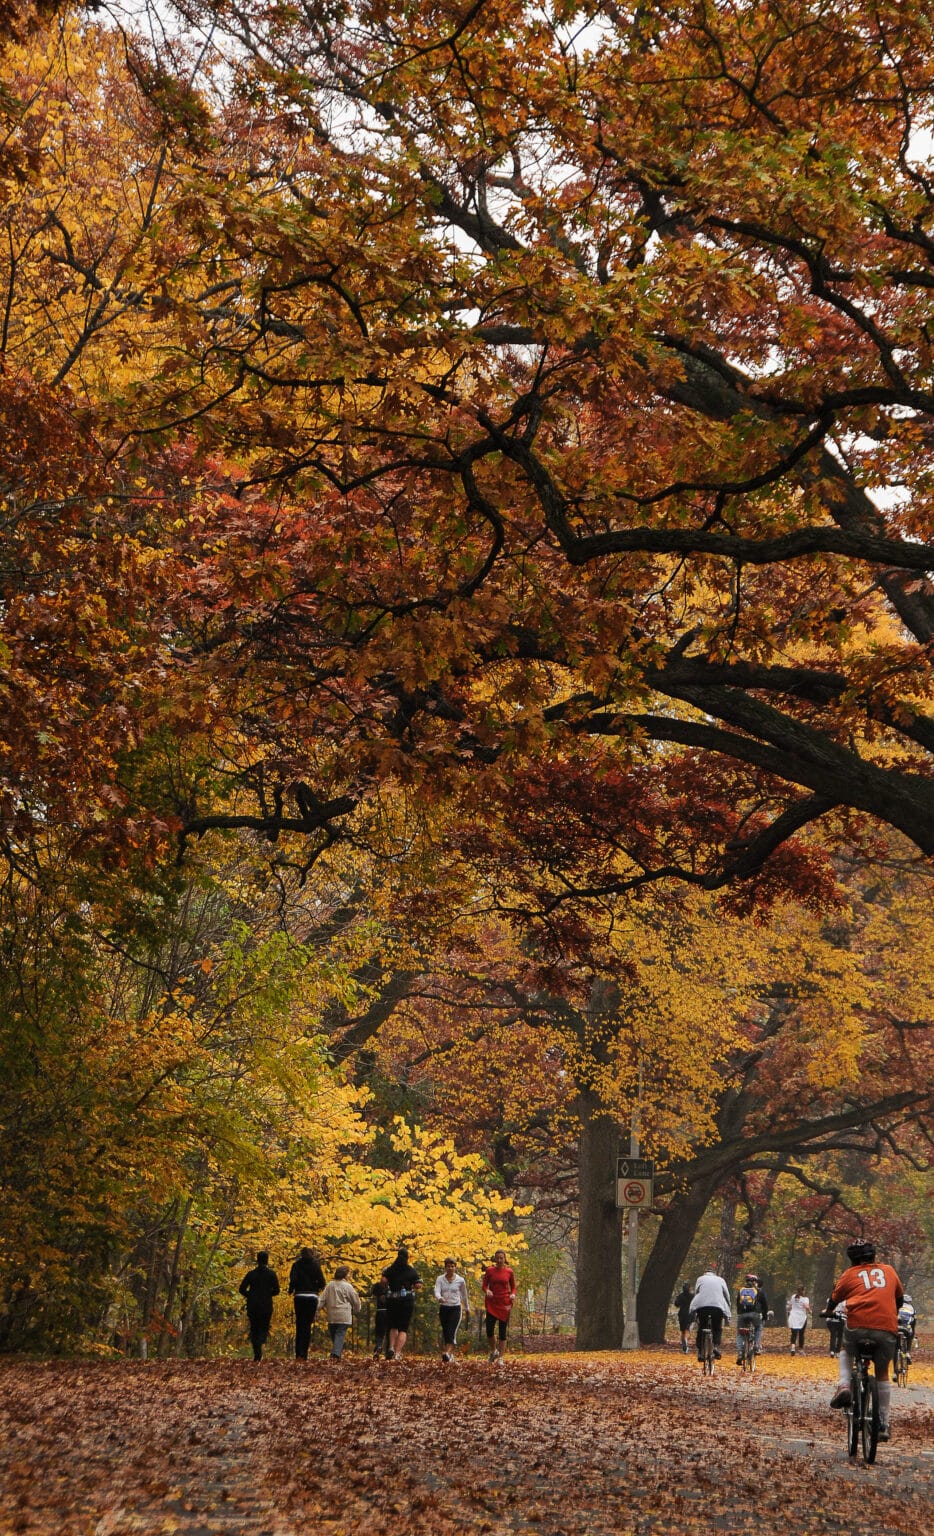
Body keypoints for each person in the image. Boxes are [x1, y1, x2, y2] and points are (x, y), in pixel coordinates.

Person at [826, 1239, 904, 1443]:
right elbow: (900, 1299)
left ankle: (844, 1386)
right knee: (882, 1372)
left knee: (846, 1348)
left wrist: (828, 1311)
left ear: (852, 1259)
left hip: (857, 1326)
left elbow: (834, 1298)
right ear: (873, 1255)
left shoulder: (850, 1274)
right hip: (886, 1328)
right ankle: (883, 1424)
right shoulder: (889, 1270)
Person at [239, 1250, 280, 1361]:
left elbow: (241, 1289)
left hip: (253, 1305)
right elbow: (277, 1291)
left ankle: (257, 1352)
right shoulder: (271, 1274)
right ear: (267, 1260)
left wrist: (250, 1295)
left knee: (254, 1327)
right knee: (264, 1326)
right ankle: (260, 1343)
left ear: (257, 1260)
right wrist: (268, 1294)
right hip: (266, 1305)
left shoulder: (251, 1274)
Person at [382, 1245, 421, 1360]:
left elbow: (383, 1280)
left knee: (393, 1326)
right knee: (403, 1328)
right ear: (407, 1257)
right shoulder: (411, 1270)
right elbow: (418, 1284)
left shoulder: (390, 1269)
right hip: (406, 1301)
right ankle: (397, 1353)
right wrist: (414, 1286)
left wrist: (387, 1286)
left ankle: (391, 1347)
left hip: (392, 1300)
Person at [288, 1246, 325, 1360]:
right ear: (312, 1254)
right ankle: (304, 1354)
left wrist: (291, 1289)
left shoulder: (296, 1265)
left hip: (299, 1296)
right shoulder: (316, 1265)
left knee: (300, 1324)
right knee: (307, 1325)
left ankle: (298, 1353)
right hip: (312, 1297)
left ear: (301, 1254)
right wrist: (316, 1287)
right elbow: (322, 1282)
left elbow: (293, 1280)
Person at [688, 1261, 731, 1360]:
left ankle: (700, 1352)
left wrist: (694, 1308)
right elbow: (727, 1295)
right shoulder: (721, 1280)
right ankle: (715, 1346)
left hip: (702, 1306)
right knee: (717, 1328)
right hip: (718, 1306)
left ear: (705, 1273)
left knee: (701, 1327)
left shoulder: (700, 1279)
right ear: (714, 1273)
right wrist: (728, 1306)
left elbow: (697, 1292)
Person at [319, 1265, 361, 1360]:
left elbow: (322, 1300)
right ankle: (335, 1354)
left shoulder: (329, 1285)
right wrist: (357, 1309)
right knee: (339, 1335)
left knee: (335, 1335)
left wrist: (316, 1309)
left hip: (332, 1315)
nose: (349, 1276)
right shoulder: (347, 1286)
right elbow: (355, 1300)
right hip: (343, 1315)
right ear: (344, 1275)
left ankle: (336, 1355)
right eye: (348, 1274)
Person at [482, 1249, 516, 1362]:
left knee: (502, 1331)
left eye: (501, 1258)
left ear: (505, 1259)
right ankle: (494, 1351)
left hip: (504, 1303)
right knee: (489, 1330)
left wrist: (513, 1294)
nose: (499, 1260)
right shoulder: (489, 1270)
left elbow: (513, 1287)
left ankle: (501, 1357)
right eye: (498, 1258)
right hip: (492, 1303)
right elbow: (484, 1286)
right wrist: (487, 1291)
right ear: (495, 1259)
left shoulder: (509, 1271)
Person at [434, 1257, 470, 1361]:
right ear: (445, 1267)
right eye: (448, 1266)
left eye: (452, 1266)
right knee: (446, 1331)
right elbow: (437, 1290)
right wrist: (439, 1297)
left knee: (451, 1331)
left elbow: (464, 1295)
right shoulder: (440, 1279)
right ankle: (450, 1354)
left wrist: (467, 1307)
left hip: (456, 1308)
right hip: (444, 1308)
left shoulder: (460, 1280)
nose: (450, 1268)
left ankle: (447, 1353)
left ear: (455, 1267)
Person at [734, 1272, 772, 1362]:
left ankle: (740, 1353)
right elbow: (765, 1305)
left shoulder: (741, 1290)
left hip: (742, 1315)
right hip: (755, 1315)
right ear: (755, 1282)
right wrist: (764, 1316)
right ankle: (756, 1345)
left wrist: (740, 1313)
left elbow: (737, 1303)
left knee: (740, 1334)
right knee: (758, 1328)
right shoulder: (759, 1291)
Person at [371, 1274, 390, 1359]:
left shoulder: (377, 1286)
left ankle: (378, 1346)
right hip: (390, 1312)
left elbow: (372, 1293)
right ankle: (389, 1352)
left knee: (379, 1332)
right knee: (390, 1332)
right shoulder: (393, 1286)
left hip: (380, 1311)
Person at [787, 1285, 811, 1353]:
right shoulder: (805, 1299)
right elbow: (806, 1306)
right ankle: (801, 1349)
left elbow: (790, 1306)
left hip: (793, 1316)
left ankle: (793, 1347)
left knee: (794, 1333)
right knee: (801, 1333)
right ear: (803, 1291)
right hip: (801, 1317)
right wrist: (810, 1311)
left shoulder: (793, 1297)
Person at [674, 1281, 693, 1354]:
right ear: (689, 1288)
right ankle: (686, 1343)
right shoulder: (692, 1296)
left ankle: (684, 1344)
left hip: (682, 1315)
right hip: (690, 1315)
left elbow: (676, 1304)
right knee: (687, 1330)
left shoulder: (680, 1296)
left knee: (683, 1331)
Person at [897, 1294, 917, 1360]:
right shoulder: (912, 1308)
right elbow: (914, 1321)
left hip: (894, 1326)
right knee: (910, 1334)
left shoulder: (895, 1305)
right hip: (906, 1327)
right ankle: (908, 1352)